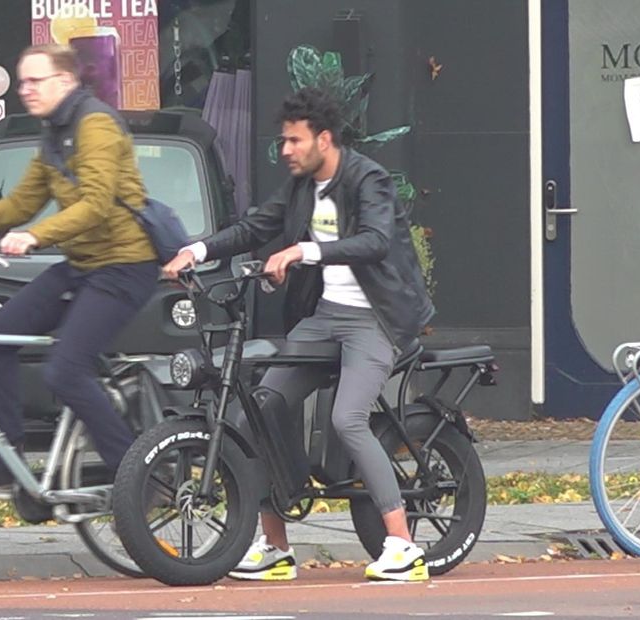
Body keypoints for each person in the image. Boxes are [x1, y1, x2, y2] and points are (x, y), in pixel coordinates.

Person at [162, 87, 435, 582]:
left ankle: (403, 544)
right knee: (260, 408)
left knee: (348, 418)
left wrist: (301, 253)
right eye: (283, 140)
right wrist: (196, 252)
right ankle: (275, 547)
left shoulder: (366, 179)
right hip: (327, 316)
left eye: (293, 140)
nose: (284, 149)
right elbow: (253, 227)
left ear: (323, 139)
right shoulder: (302, 186)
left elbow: (375, 242)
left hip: (377, 319)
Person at [0, 44, 159, 494]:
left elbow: (95, 204)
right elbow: (20, 204)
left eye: (35, 81)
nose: (24, 90)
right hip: (82, 265)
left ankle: (136, 476)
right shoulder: (54, 135)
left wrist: (37, 236)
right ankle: (6, 457)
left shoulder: (95, 125)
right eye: (21, 82)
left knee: (64, 370)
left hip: (124, 267)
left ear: (65, 82)